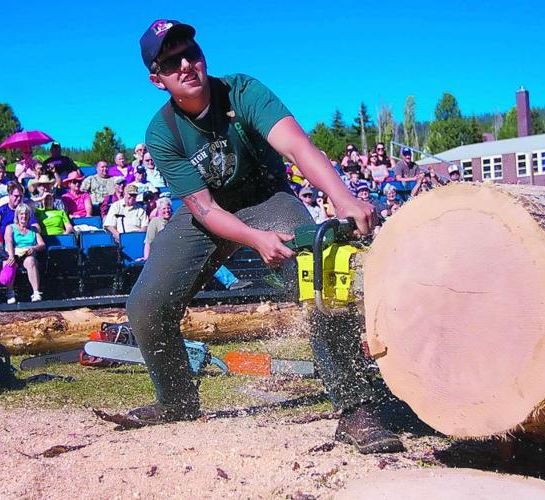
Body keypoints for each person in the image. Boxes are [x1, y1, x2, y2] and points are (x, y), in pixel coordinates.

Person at [124, 19, 401, 455]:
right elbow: (206, 209)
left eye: (191, 53)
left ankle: (356, 407)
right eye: (171, 62)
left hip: (265, 197)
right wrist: (254, 239)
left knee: (318, 268)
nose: (186, 65)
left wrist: (342, 198)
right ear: (157, 79)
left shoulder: (242, 91)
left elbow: (297, 147)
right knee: (145, 305)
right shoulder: (161, 133)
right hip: (209, 213)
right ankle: (176, 402)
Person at [141, 198, 251, 290]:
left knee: (208, 260)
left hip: (183, 251)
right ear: (159, 210)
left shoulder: (176, 220)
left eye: (168, 208)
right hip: (166, 255)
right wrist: (147, 257)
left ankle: (231, 282)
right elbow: (148, 241)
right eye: (164, 208)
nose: (167, 210)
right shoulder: (155, 222)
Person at [3, 204, 45, 304]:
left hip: (28, 254)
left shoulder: (33, 229)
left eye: (26, 214)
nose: (24, 216)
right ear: (17, 215)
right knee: (9, 263)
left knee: (31, 261)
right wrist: (11, 256)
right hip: (14, 253)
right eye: (21, 214)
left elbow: (42, 244)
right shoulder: (10, 228)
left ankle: (36, 292)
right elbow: (9, 242)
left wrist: (34, 247)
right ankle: (10, 293)